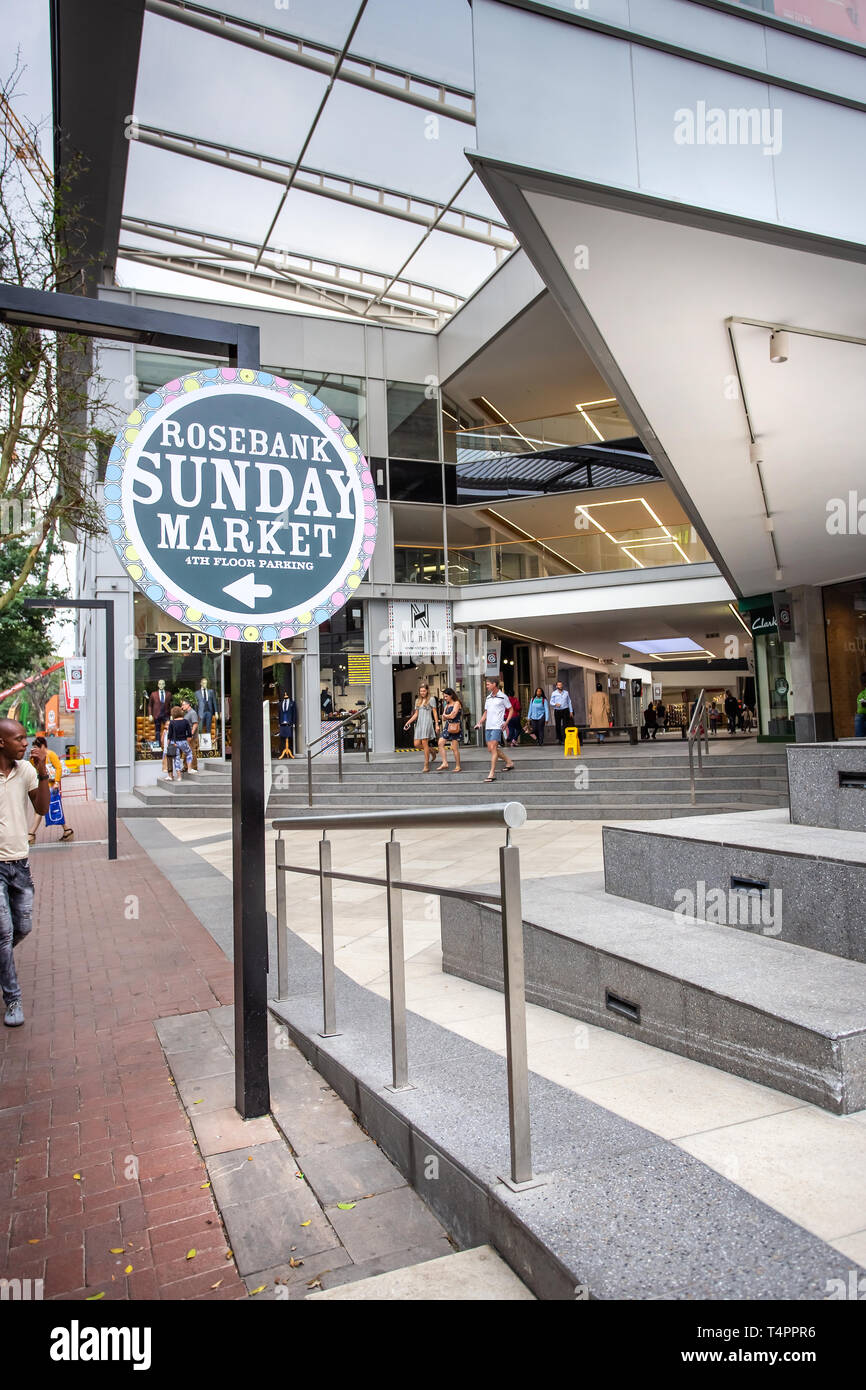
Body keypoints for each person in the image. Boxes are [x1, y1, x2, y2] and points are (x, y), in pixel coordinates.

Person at [0, 718, 51, 1026]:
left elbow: (43, 809)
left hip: (20, 863)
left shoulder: (28, 771)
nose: (25, 743)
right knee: (4, 934)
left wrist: (43, 770)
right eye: (19, 739)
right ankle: (13, 999)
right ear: (1, 743)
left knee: (24, 927)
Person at [28, 736, 73, 843]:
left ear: (43, 746)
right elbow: (32, 767)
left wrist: (57, 782)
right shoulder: (36, 756)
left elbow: (58, 767)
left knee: (41, 810)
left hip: (51, 787)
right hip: (42, 785)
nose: (36, 749)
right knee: (52, 809)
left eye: (37, 747)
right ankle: (67, 830)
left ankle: (31, 835)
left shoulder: (50, 754)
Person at [475, 677, 515, 782]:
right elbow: (486, 712)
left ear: (494, 684)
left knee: (493, 748)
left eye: (488, 684)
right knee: (491, 749)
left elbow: (511, 709)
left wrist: (506, 722)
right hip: (488, 726)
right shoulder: (488, 698)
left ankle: (492, 773)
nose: (487, 686)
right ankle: (509, 762)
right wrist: (480, 723)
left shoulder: (503, 697)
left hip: (497, 726)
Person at [404, 683, 439, 773]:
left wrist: (436, 724)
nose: (422, 692)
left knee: (424, 743)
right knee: (416, 744)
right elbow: (416, 714)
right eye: (421, 691)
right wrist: (408, 722)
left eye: (424, 690)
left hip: (427, 722)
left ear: (427, 690)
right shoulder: (417, 700)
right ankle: (432, 750)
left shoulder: (431, 699)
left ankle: (426, 765)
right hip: (420, 723)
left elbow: (434, 712)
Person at [161, 705, 194, 782]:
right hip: (183, 741)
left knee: (177, 759)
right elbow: (189, 733)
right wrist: (188, 739)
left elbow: (170, 735)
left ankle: (179, 777)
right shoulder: (185, 721)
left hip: (174, 742)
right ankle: (189, 768)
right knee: (189, 753)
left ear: (173, 714)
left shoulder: (172, 722)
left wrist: (168, 744)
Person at [435, 688, 463, 773]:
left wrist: (446, 716)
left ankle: (458, 766)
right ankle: (444, 762)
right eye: (444, 696)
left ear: (451, 695)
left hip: (455, 726)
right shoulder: (446, 705)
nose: (445, 698)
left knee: (454, 747)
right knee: (440, 743)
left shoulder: (457, 703)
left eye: (446, 696)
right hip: (447, 726)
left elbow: (452, 716)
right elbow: (443, 718)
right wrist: (447, 716)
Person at [277, 689, 296, 759]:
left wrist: (294, 722)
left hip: (289, 723)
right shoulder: (280, 703)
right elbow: (279, 714)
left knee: (288, 736)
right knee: (283, 736)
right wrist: (279, 722)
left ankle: (288, 751)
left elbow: (294, 713)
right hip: (282, 723)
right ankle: (285, 751)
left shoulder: (292, 703)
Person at [180, 699, 199, 769]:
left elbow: (195, 724)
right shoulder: (186, 713)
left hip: (192, 737)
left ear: (188, 705)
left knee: (191, 751)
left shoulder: (192, 713)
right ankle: (186, 766)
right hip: (186, 736)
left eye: (183, 705)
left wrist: (191, 734)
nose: (182, 706)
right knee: (186, 751)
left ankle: (194, 767)